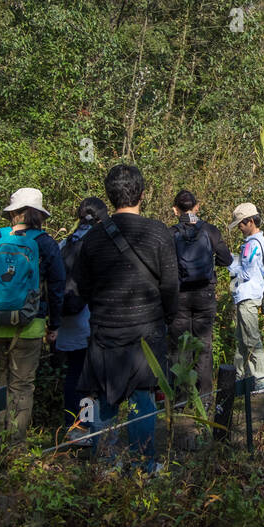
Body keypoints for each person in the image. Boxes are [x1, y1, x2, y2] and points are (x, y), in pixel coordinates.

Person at [74, 165, 180, 470]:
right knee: (143, 400)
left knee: (102, 399)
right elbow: (171, 285)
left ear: (108, 195)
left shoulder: (92, 238)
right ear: (142, 194)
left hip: (104, 332)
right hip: (147, 332)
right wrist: (169, 318)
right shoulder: (158, 232)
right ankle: (143, 467)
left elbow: (81, 288)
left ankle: (105, 466)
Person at [0, 187, 66, 442]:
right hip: (30, 326)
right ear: (39, 215)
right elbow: (58, 288)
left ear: (12, 213)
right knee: (22, 385)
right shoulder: (47, 244)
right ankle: (14, 446)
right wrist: (55, 325)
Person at [169, 190, 232, 439]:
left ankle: (180, 399)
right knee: (204, 346)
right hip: (205, 295)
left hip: (180, 296)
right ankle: (204, 399)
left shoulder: (171, 233)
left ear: (176, 209)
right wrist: (208, 263)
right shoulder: (211, 231)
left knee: (179, 348)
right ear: (197, 206)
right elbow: (226, 260)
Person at [55, 197, 108, 443]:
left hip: (67, 319)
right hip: (89, 318)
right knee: (89, 377)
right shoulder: (97, 243)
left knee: (73, 373)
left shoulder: (64, 243)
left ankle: (71, 426)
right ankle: (87, 428)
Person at [227, 203, 264, 393]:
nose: (239, 229)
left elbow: (246, 273)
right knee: (241, 339)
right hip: (246, 295)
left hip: (248, 296)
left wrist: (229, 262)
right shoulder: (255, 242)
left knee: (251, 337)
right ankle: (241, 376)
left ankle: (259, 379)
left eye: (241, 225)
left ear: (251, 222)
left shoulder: (253, 244)